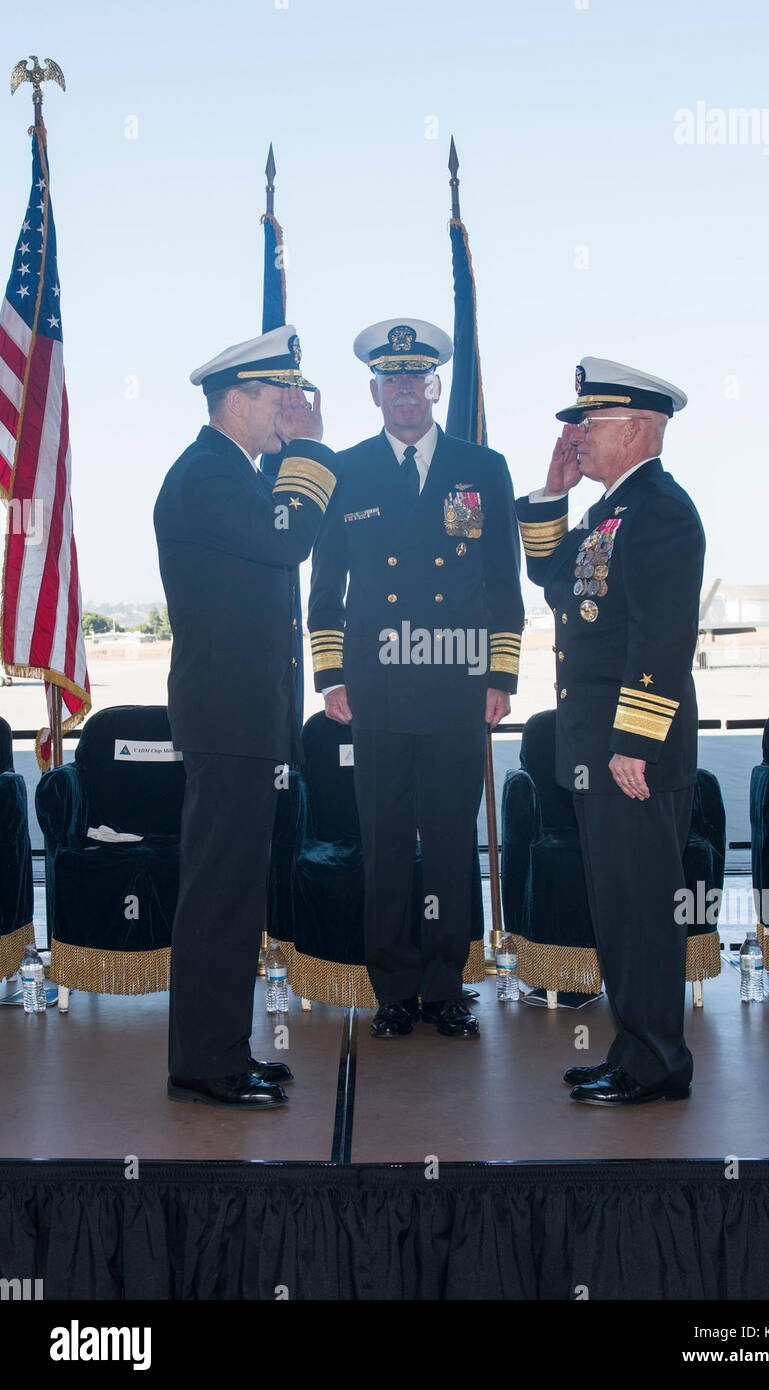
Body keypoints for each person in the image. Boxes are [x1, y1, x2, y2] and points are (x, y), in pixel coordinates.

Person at [308, 318, 524, 1038]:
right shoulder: (346, 469)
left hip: (458, 684)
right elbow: (326, 585)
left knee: (450, 840)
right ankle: (394, 988)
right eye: (391, 380)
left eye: (416, 379)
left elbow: (503, 580)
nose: (405, 391)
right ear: (374, 391)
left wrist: (501, 675)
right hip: (378, 687)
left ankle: (446, 985)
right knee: (387, 840)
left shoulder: (482, 468)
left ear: (433, 386)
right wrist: (330, 675)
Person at [154, 325, 337, 1108]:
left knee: (234, 893)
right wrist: (313, 451)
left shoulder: (232, 472)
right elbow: (287, 540)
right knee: (219, 894)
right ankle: (204, 1062)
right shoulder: (206, 475)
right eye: (279, 398)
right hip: (227, 720)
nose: (290, 411)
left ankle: (223, 1049)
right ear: (238, 400)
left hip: (245, 719)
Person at [515, 357, 705, 1105]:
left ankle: (657, 1063)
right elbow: (553, 581)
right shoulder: (610, 511)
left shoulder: (660, 509)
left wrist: (636, 742)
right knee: (619, 906)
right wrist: (552, 496)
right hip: (599, 743)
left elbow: (661, 636)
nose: (576, 437)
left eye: (588, 425)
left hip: (630, 748)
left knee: (643, 907)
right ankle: (634, 1051)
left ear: (638, 429)